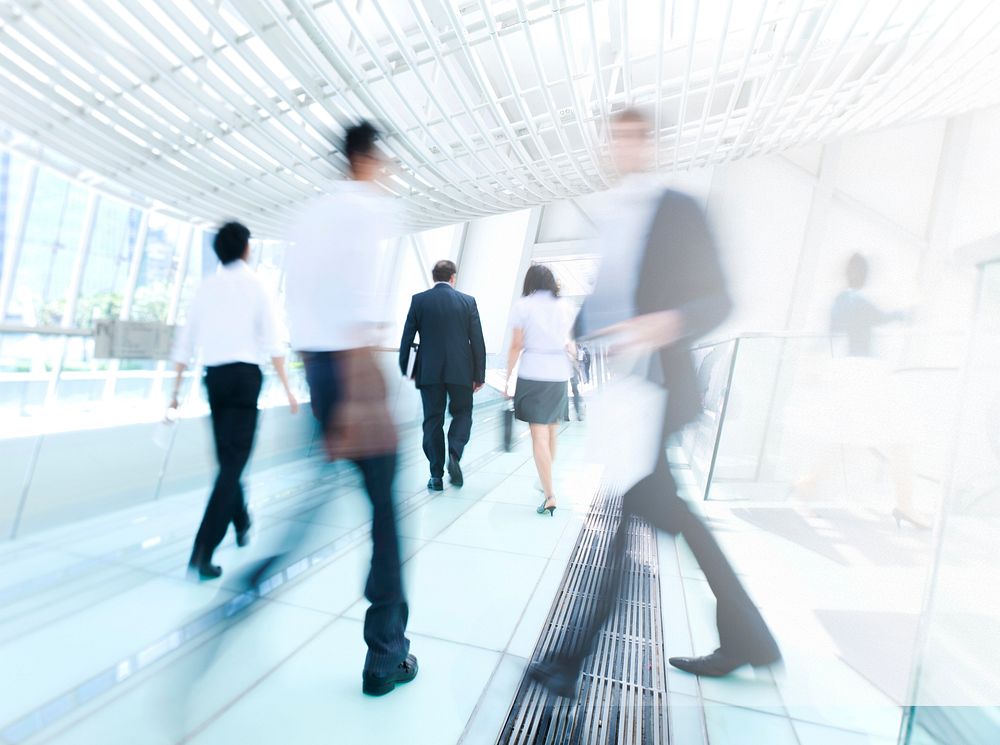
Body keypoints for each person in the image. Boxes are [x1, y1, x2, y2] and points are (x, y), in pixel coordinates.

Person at [528, 108, 780, 694]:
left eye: (634, 137)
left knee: (625, 522)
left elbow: (719, 300)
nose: (622, 148)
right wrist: (583, 328)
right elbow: (608, 299)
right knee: (669, 517)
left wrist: (665, 324)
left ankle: (571, 662)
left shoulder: (678, 209)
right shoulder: (614, 217)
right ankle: (750, 638)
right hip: (629, 395)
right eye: (614, 138)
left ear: (651, 144)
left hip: (660, 391)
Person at [284, 121, 416, 696]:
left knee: (302, 521)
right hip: (354, 375)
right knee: (385, 520)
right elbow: (359, 304)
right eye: (382, 159)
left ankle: (244, 592)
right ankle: (385, 657)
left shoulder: (312, 214)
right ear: (369, 157)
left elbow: (301, 301)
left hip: (317, 370)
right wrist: (363, 399)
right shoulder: (367, 209)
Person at [169, 221, 298, 581]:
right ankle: (203, 550)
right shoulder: (258, 286)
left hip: (215, 379)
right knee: (232, 465)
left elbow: (185, 343)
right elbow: (273, 342)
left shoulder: (205, 288)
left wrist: (174, 394)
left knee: (229, 460)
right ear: (245, 249)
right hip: (244, 380)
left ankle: (241, 522)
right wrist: (288, 388)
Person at [793, 253, 927, 528]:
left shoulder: (840, 301)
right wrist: (912, 307)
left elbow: (829, 334)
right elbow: (889, 317)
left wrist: (809, 360)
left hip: (847, 371)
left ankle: (805, 487)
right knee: (899, 436)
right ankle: (905, 505)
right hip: (865, 374)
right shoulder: (858, 301)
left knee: (839, 437)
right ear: (865, 275)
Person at [399, 260, 486, 491]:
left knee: (432, 420)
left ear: (433, 276)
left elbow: (407, 338)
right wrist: (479, 375)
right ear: (453, 277)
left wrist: (405, 368)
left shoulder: (419, 300)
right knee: (463, 413)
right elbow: (477, 341)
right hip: (461, 371)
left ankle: (436, 475)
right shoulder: (468, 302)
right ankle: (455, 453)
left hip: (429, 372)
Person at [505, 264, 577, 516]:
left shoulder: (523, 306)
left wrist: (507, 378)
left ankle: (550, 494)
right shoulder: (565, 307)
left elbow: (516, 345)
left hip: (533, 372)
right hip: (558, 374)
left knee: (538, 436)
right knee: (552, 431)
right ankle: (545, 478)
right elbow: (571, 341)